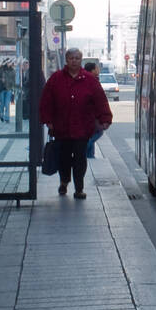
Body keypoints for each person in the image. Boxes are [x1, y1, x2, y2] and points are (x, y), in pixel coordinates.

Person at [39, 47, 112, 199]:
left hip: (82, 127)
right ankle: (64, 181)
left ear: (81, 60)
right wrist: (48, 120)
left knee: (80, 158)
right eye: (71, 58)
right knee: (64, 158)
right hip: (61, 127)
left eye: (77, 58)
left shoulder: (89, 80)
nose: (74, 61)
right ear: (67, 59)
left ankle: (79, 188)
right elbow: (46, 101)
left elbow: (100, 100)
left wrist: (105, 118)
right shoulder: (56, 78)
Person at [84, 60, 105, 159]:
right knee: (98, 133)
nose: (98, 70)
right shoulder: (92, 81)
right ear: (92, 70)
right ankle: (82, 151)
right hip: (92, 114)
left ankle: (90, 155)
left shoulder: (89, 79)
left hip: (91, 114)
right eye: (97, 68)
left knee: (92, 134)